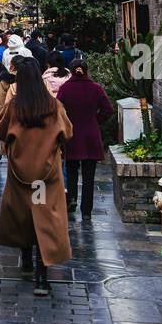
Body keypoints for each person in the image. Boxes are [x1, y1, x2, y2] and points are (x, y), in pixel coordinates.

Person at [0, 57, 72, 295]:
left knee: (23, 215)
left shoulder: (15, 106)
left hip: (21, 172)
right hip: (45, 176)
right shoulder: (53, 106)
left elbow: (0, 131)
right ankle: (42, 277)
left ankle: (26, 260)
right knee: (44, 218)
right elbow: (67, 133)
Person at [57, 61, 114, 220]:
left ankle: (72, 199)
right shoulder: (96, 88)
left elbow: (58, 110)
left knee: (71, 170)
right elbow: (108, 110)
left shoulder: (65, 88)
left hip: (72, 136)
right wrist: (95, 120)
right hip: (90, 134)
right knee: (89, 176)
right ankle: (87, 210)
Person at [0, 43, 34, 131]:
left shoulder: (5, 81)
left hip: (10, 122)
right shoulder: (34, 80)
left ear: (12, 67)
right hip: (32, 122)